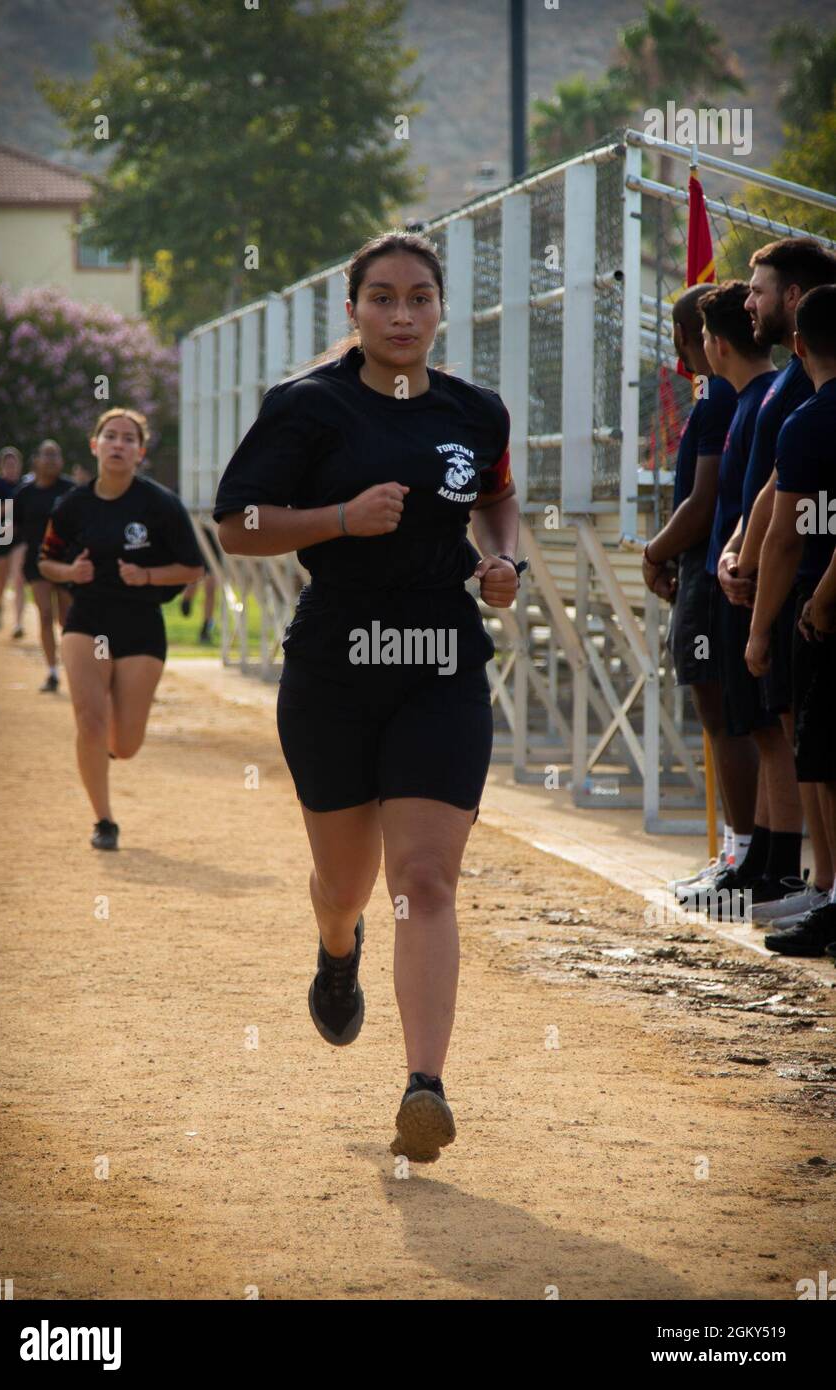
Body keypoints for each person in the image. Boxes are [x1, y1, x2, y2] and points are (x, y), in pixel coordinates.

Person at [214, 230, 522, 1163]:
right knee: (346, 887)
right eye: (382, 298)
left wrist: (502, 559)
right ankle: (335, 945)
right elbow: (238, 524)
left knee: (424, 880)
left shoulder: (476, 410)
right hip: (336, 667)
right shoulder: (308, 406)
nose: (402, 314)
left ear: (441, 309)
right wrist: (340, 519)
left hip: (441, 662)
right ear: (352, 311)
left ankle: (425, 1087)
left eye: (419, 297)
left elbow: (497, 497)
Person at [723, 237, 836, 927]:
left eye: (759, 289)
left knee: (812, 747)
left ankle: (814, 881)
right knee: (805, 746)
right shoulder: (793, 393)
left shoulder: (806, 400)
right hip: (799, 589)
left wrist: (765, 622)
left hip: (810, 595)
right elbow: (769, 488)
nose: (748, 301)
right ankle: (808, 879)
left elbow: (788, 522)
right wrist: (739, 546)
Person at [37, 408, 205, 850]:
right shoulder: (71, 505)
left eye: (129, 439)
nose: (118, 444)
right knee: (89, 721)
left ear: (140, 452)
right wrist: (70, 572)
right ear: (95, 445)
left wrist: (147, 576)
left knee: (125, 744)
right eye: (110, 436)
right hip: (88, 621)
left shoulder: (161, 505)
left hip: (140, 625)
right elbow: (45, 562)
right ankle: (104, 821)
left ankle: (109, 737)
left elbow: (193, 568)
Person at [695, 281, 799, 920]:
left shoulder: (770, 394)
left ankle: (781, 870)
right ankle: (760, 860)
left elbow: (771, 499)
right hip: (737, 577)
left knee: (774, 729)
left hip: (760, 584)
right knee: (760, 729)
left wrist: (745, 560)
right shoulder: (748, 400)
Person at [641, 286, 743, 902]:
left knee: (725, 718)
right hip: (707, 565)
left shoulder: (718, 398)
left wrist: (654, 552)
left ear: (688, 336)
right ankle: (736, 852)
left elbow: (703, 503)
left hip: (709, 568)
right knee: (724, 718)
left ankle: (743, 854)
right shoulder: (719, 395)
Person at [11, 440, 75, 691]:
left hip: (66, 562)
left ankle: (74, 667)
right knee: (45, 615)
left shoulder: (70, 490)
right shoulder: (25, 494)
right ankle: (52, 672)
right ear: (35, 460)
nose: (51, 460)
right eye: (47, 455)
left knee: (66, 619)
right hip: (37, 562)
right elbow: (15, 528)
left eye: (56, 455)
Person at [0, 445, 28, 637]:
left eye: (15, 464)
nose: (12, 468)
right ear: (1, 467)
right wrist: (12, 502)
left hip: (20, 539)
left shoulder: (25, 486)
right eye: (8, 465)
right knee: (1, 583)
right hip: (0, 538)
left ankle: (18, 624)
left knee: (18, 579)